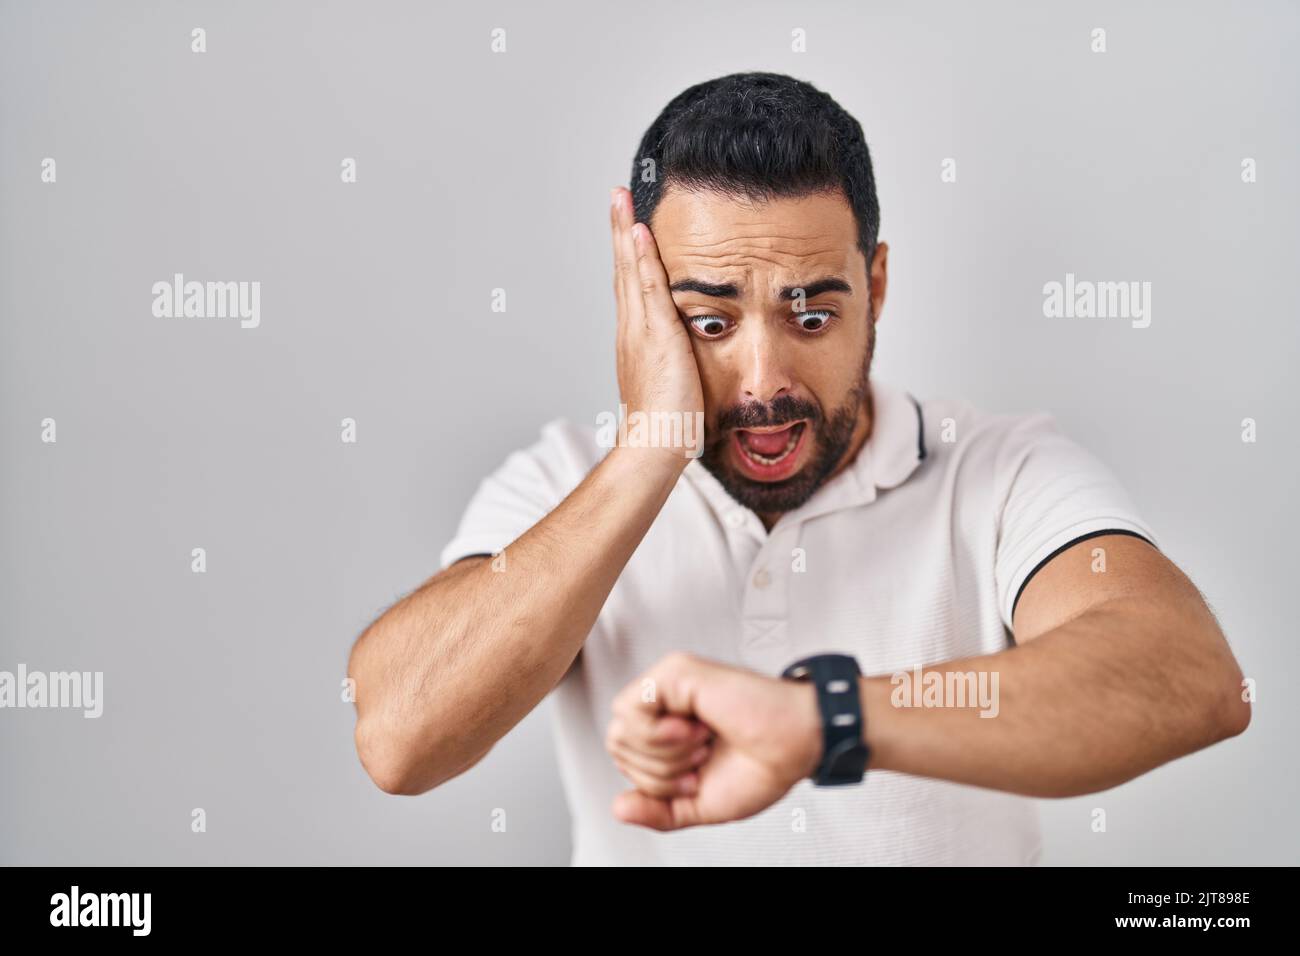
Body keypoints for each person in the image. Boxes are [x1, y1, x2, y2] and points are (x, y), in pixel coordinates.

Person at [348, 72, 1250, 865]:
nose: (765, 381)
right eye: (709, 323)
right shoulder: (568, 484)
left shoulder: (1002, 474)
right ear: (642, 309)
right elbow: (399, 739)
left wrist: (819, 721)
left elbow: (1188, 677)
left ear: (878, 289)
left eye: (811, 316)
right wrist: (649, 448)